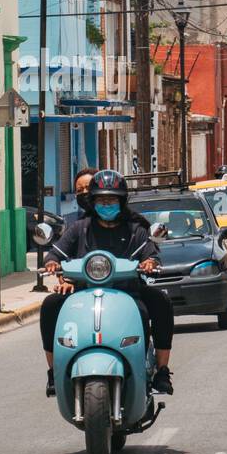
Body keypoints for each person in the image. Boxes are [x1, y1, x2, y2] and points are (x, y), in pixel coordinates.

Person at [39, 169, 176, 398]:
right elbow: (55, 253)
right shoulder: (80, 228)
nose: (106, 204)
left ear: (122, 202)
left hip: (129, 293)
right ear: (93, 202)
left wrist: (150, 262)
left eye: (112, 199)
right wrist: (52, 263)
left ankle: (161, 370)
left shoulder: (136, 230)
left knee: (159, 301)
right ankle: (54, 371)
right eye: (101, 200)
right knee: (51, 304)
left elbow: (150, 255)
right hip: (84, 294)